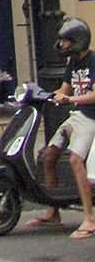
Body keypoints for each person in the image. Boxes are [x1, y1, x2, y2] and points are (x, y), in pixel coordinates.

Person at [29, 17, 95, 235]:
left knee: (76, 159)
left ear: (78, 40)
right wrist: (39, 95)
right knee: (48, 156)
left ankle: (89, 218)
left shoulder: (93, 61)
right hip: (77, 115)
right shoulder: (73, 63)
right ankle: (53, 212)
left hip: (91, 117)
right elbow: (64, 90)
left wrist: (71, 99)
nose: (61, 44)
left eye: (65, 40)